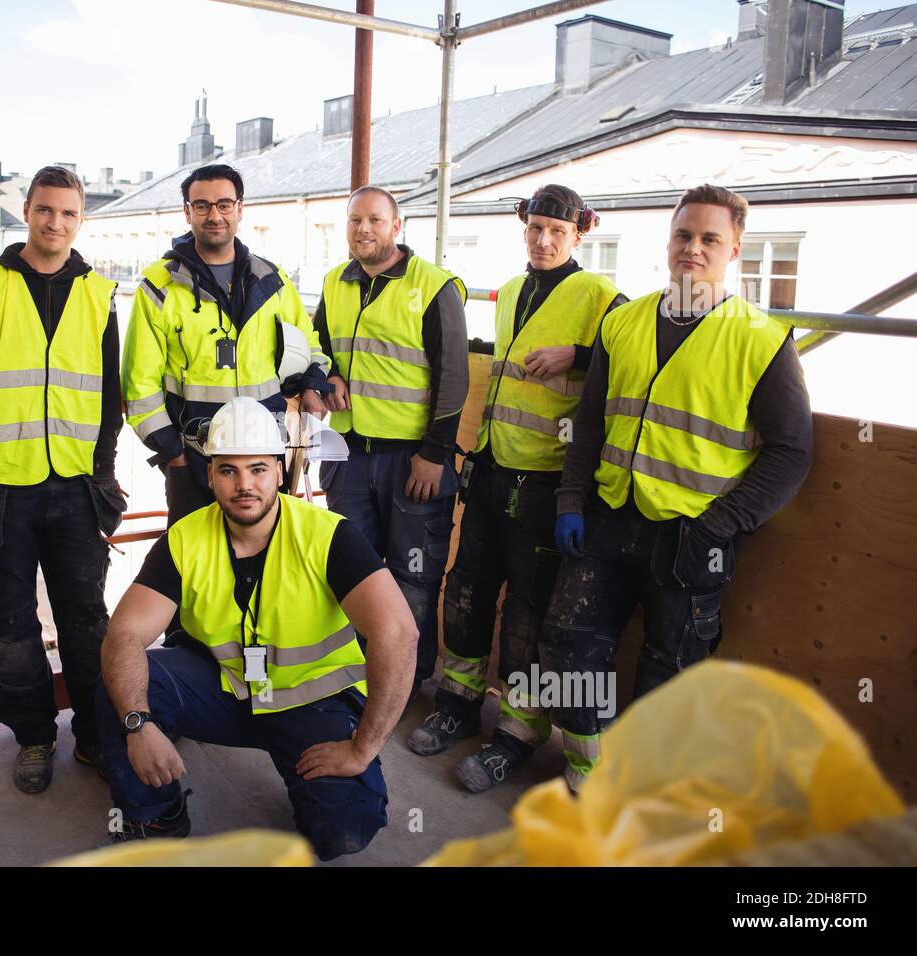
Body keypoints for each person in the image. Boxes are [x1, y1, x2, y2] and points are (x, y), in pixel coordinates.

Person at [542, 183, 813, 791]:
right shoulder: (625, 322)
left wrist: (721, 524)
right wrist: (569, 500)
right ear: (669, 241)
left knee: (671, 667)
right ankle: (589, 771)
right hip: (609, 516)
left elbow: (792, 451)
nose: (693, 248)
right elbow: (589, 424)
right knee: (566, 645)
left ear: (735, 249)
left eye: (710, 239)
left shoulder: (762, 338)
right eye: (683, 235)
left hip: (693, 535)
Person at [96, 397, 417, 860]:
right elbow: (124, 634)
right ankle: (156, 817)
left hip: (311, 699)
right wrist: (138, 724)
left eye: (258, 469)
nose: (244, 484)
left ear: (281, 470)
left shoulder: (327, 535)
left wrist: (361, 749)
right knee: (116, 681)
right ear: (210, 476)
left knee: (343, 829)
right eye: (228, 470)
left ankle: (326, 791)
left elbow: (399, 633)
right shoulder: (185, 538)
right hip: (226, 689)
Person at [405, 185, 627, 797]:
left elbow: (632, 362)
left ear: (580, 232)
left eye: (558, 231)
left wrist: (579, 354)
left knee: (529, 615)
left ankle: (517, 733)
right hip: (494, 468)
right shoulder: (510, 292)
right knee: (467, 592)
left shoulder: (603, 297)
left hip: (548, 484)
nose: (544, 240)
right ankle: (456, 703)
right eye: (535, 228)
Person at [0, 165, 123, 792]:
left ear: (81, 218)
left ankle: (98, 739)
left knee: (86, 621)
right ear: (26, 210)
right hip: (2, 489)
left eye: (68, 213)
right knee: (15, 627)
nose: (55, 223)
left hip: (75, 489)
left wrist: (102, 471)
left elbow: (110, 394)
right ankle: (36, 740)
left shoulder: (99, 294)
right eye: (45, 210)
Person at [313, 186, 469, 701]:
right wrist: (325, 376)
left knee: (412, 576)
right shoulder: (336, 282)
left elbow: (453, 378)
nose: (363, 230)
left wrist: (434, 454)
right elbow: (317, 349)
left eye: (375, 221)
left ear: (397, 227)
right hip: (349, 454)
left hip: (410, 460)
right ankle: (357, 677)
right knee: (351, 570)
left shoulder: (435, 286)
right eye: (355, 220)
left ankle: (406, 681)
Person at [122, 164, 330, 527]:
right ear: (187, 212)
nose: (214, 215)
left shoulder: (272, 280)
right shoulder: (160, 287)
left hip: (264, 456)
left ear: (239, 208)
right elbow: (139, 384)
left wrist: (314, 384)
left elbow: (309, 345)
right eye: (201, 206)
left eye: (223, 204)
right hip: (195, 459)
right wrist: (174, 454)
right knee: (195, 566)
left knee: (266, 563)